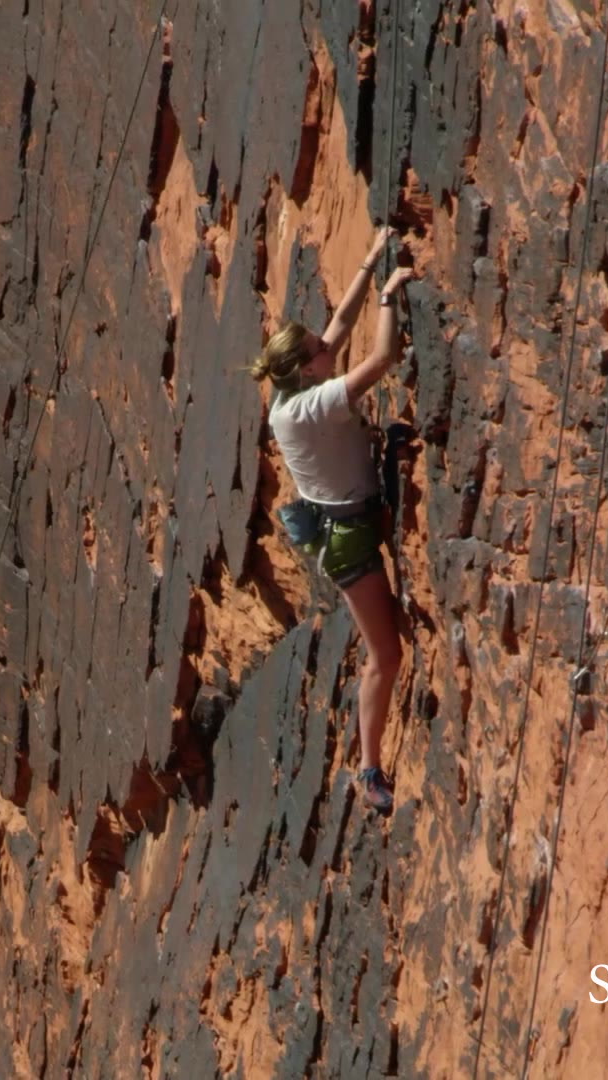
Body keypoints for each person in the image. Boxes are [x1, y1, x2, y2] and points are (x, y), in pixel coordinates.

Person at [250, 226, 415, 814]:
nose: (328, 344)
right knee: (387, 655)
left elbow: (340, 326)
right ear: (306, 369)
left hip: (350, 521)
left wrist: (371, 258)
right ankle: (369, 770)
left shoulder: (289, 395)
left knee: (396, 635)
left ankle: (370, 762)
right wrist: (391, 296)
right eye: (319, 348)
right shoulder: (311, 407)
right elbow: (381, 357)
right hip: (348, 542)